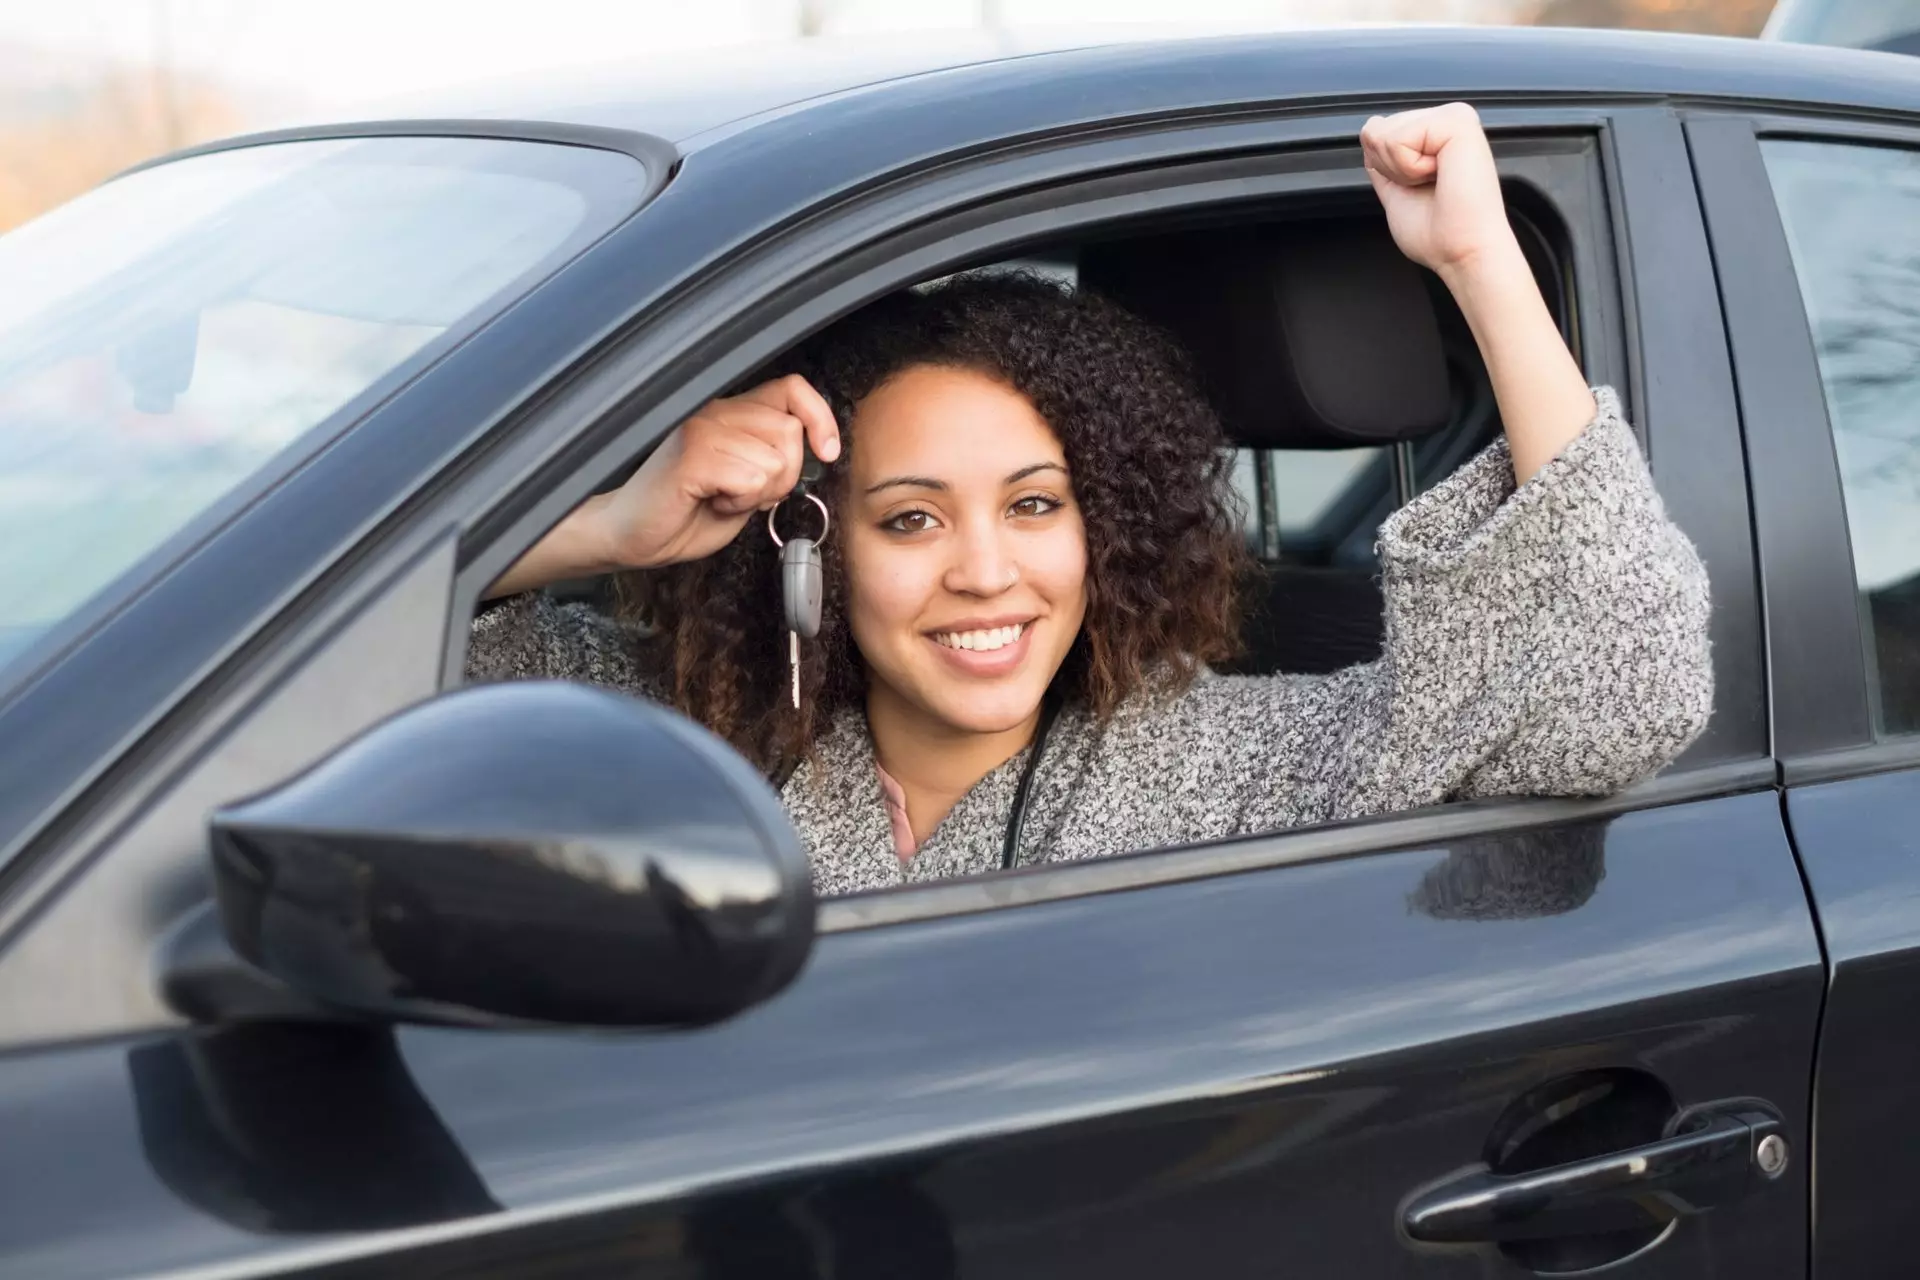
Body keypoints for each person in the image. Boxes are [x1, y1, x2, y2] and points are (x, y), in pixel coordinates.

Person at [469, 104, 1714, 896]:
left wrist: (1481, 266)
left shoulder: (1223, 762)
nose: (984, 572)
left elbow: (1614, 688)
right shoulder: (708, 739)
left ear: (1104, 530)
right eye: (910, 517)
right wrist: (616, 527)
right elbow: (360, 686)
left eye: (1034, 505)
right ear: (816, 542)